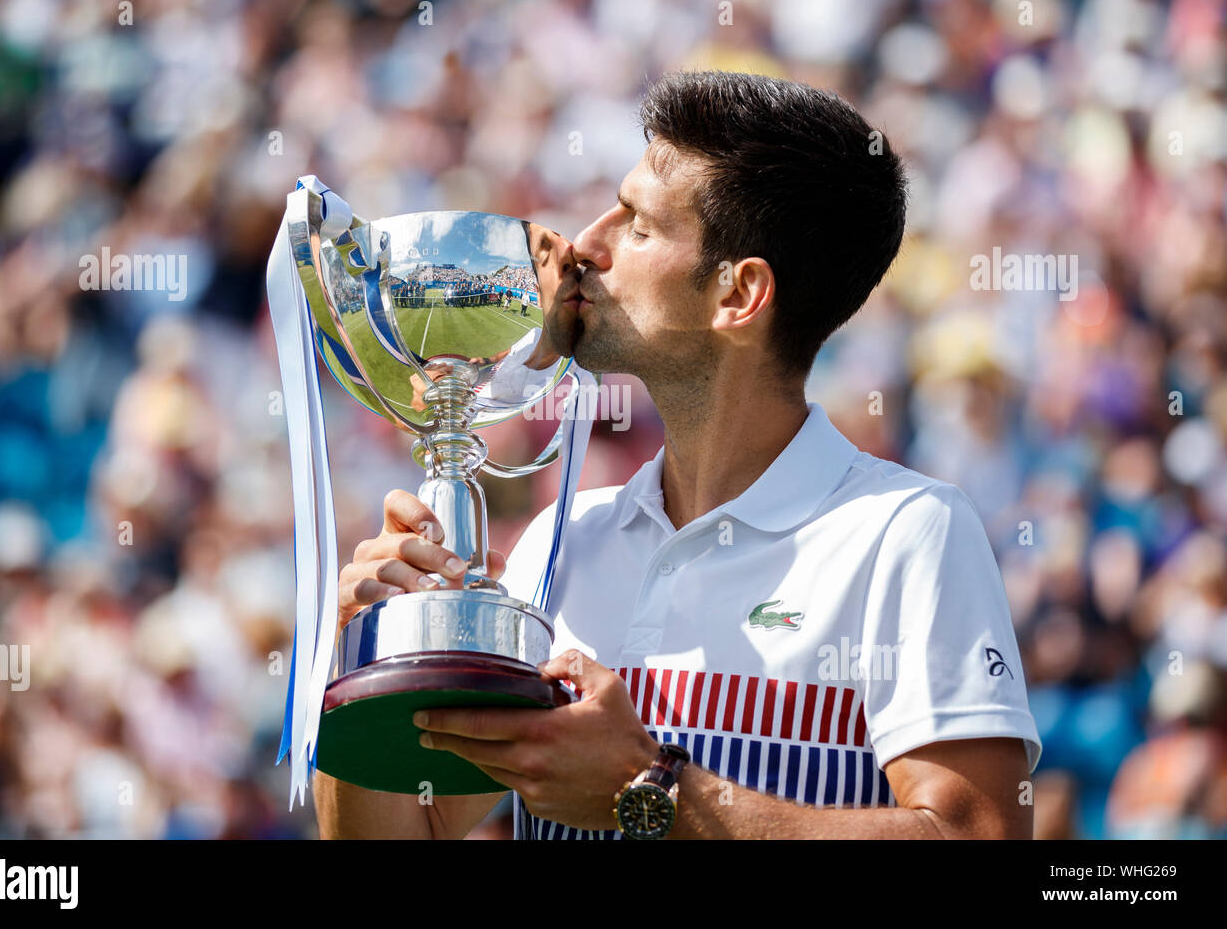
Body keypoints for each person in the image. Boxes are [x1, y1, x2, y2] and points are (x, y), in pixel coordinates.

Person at [317, 71, 1040, 839]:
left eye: (635, 224)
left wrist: (652, 790)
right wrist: (360, 667)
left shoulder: (907, 532)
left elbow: (979, 834)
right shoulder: (566, 541)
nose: (585, 246)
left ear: (739, 295)